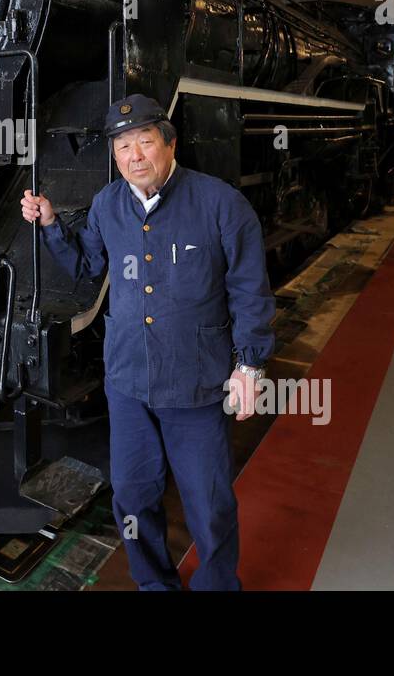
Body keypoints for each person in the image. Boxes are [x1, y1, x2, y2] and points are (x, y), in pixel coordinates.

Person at [20, 93, 275, 590]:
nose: (134, 156)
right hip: (129, 380)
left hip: (197, 383)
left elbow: (249, 289)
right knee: (133, 499)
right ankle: (155, 585)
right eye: (122, 148)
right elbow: (88, 267)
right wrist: (51, 224)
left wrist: (250, 366)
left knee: (210, 506)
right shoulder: (108, 205)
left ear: (170, 143)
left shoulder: (220, 203)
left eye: (144, 142)